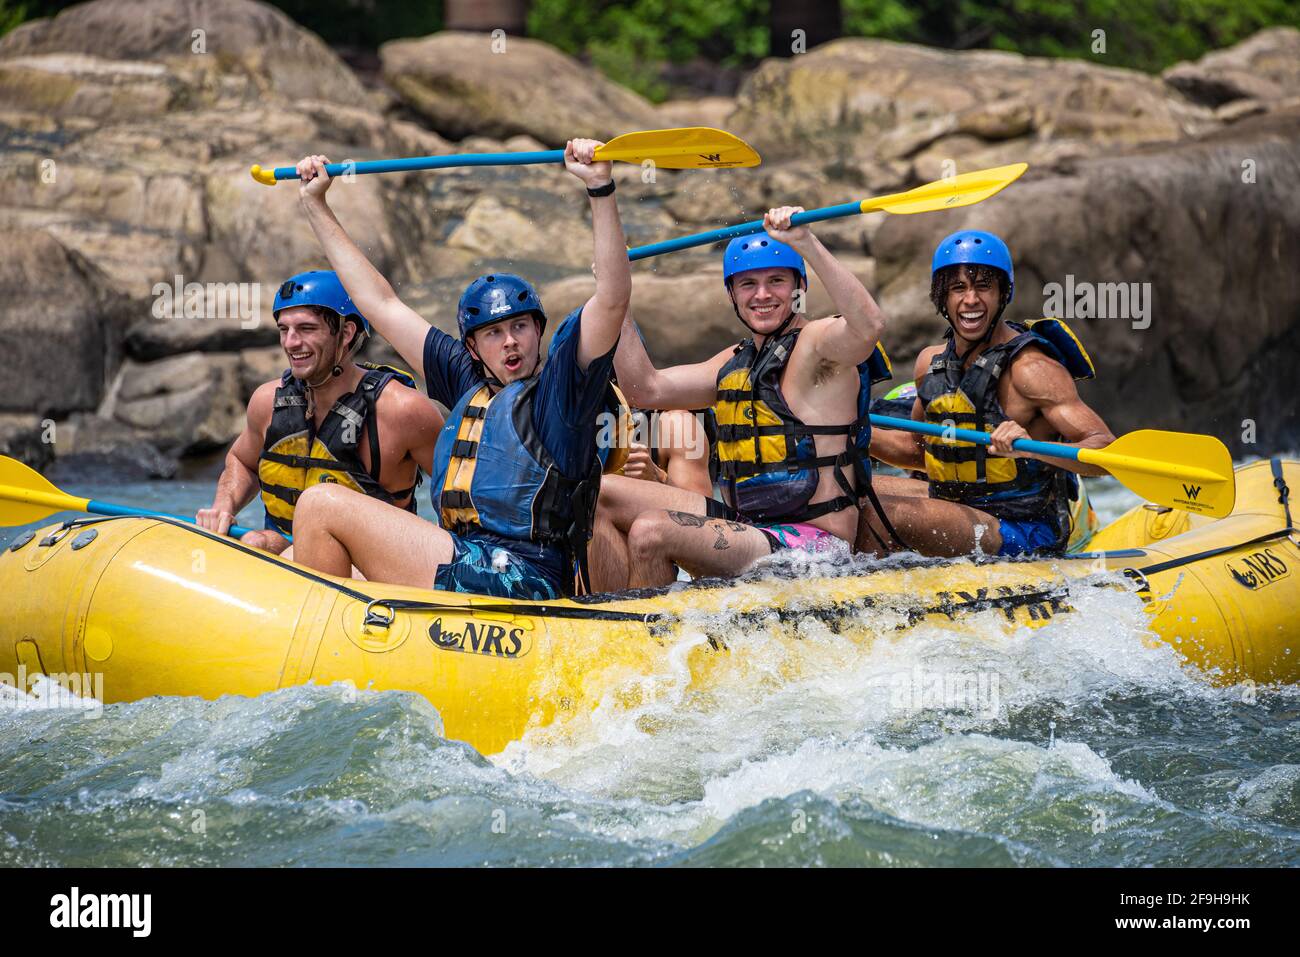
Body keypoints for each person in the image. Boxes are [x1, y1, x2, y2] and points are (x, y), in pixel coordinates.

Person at [285, 140, 631, 597]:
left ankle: (321, 632)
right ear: (473, 347)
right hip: (468, 560)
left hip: (524, 578)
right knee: (298, 552)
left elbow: (611, 300)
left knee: (320, 504)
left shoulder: (561, 392)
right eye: (493, 333)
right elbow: (380, 303)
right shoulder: (466, 380)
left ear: (538, 331)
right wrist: (316, 204)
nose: (510, 341)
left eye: (520, 327)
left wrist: (600, 188)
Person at [600, 209, 889, 589]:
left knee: (652, 530)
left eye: (776, 281)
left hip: (814, 546)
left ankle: (642, 623)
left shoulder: (819, 345)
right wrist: (616, 290)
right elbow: (643, 389)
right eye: (748, 284)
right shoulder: (735, 361)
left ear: (800, 287)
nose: (762, 295)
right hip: (749, 529)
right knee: (600, 492)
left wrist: (805, 242)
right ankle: (601, 605)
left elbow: (868, 326)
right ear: (731, 294)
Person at [862, 229, 1115, 557]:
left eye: (983, 286)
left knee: (881, 514)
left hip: (1022, 529)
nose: (971, 299)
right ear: (942, 296)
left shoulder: (1031, 369)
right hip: (955, 507)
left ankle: (869, 582)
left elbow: (1104, 451)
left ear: (1002, 294)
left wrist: (1031, 450)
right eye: (958, 288)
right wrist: (854, 432)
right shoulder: (930, 363)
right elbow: (917, 452)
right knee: (849, 490)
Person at [196, 270, 441, 552]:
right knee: (255, 542)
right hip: (284, 550)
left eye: (306, 329)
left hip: (369, 565)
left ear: (346, 333)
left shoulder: (403, 410)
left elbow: (459, 496)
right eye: (284, 330)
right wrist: (223, 505)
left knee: (259, 543)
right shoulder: (267, 402)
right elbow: (242, 461)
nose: (290, 343)